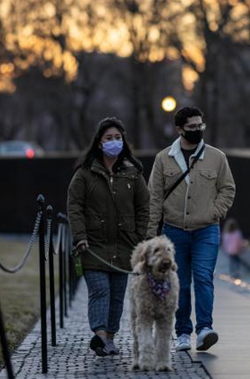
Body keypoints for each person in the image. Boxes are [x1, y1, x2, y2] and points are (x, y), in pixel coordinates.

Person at [146, 106, 236, 353]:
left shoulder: (217, 157)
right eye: (192, 127)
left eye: (200, 126)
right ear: (179, 129)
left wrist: (213, 211)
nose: (198, 130)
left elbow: (228, 188)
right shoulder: (163, 158)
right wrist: (151, 234)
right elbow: (154, 197)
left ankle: (205, 329)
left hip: (206, 229)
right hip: (173, 230)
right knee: (180, 283)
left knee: (204, 278)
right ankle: (183, 332)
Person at [67, 117, 150, 357]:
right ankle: (100, 335)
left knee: (117, 296)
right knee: (100, 290)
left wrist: (139, 236)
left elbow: (144, 206)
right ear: (99, 142)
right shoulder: (85, 174)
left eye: (117, 137)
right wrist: (79, 236)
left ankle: (110, 338)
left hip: (126, 245)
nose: (114, 142)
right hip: (93, 245)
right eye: (108, 138)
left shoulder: (133, 174)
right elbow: (74, 205)